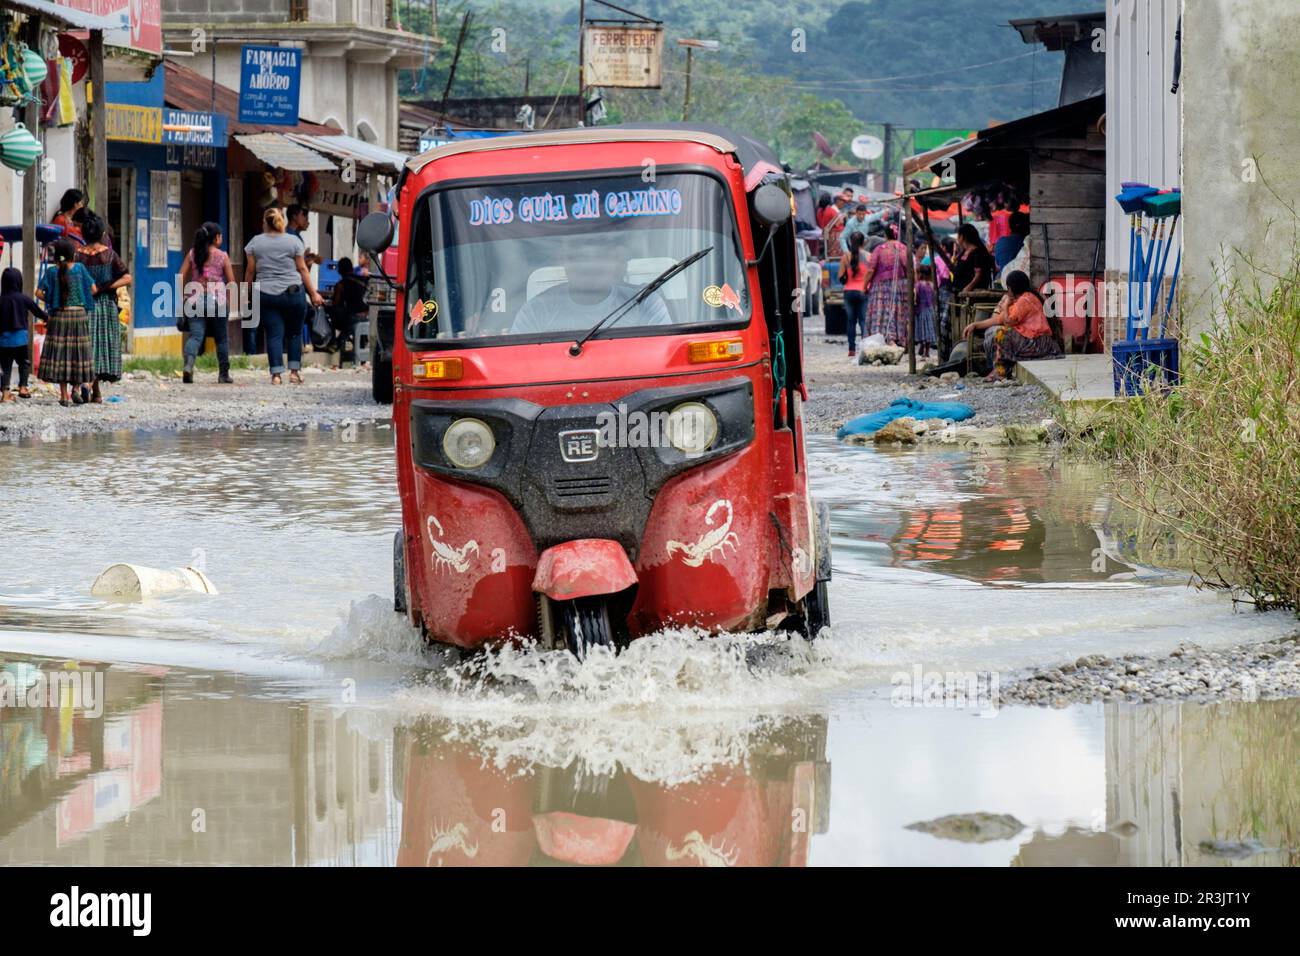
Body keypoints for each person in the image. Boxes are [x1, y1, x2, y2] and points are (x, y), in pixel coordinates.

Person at [512, 235, 671, 334]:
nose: (588, 266)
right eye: (579, 257)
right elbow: (517, 363)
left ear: (615, 261)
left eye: (599, 257)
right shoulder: (536, 311)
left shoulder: (646, 304)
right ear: (564, 262)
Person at [245, 207, 323, 385]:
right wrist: (313, 293)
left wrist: (246, 294)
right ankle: (294, 373)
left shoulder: (255, 243)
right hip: (293, 294)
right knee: (294, 334)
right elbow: (302, 269)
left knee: (274, 334)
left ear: (265, 222)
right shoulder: (293, 241)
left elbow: (250, 271)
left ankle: (276, 375)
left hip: (266, 294)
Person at [74, 213, 129, 402]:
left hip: (83, 304)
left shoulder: (78, 255)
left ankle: (95, 393)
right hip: (105, 306)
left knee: (88, 345)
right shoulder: (110, 255)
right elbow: (127, 277)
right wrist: (106, 286)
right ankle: (88, 385)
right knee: (99, 346)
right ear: (103, 233)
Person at [969, 269, 1061, 379]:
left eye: (1008, 289)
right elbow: (999, 319)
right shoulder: (1019, 300)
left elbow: (1009, 322)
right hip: (1031, 340)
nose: (1007, 292)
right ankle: (996, 368)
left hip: (1040, 343)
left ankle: (1001, 370)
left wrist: (1005, 306)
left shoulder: (1026, 300)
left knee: (1000, 333)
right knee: (990, 331)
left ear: (1011, 289)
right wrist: (975, 325)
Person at [36, 239, 97, 406]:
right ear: (73, 254)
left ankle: (63, 396)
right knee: (78, 353)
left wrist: (53, 297)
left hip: (59, 317)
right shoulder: (80, 269)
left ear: (57, 256)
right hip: (78, 315)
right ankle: (76, 390)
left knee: (61, 355)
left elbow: (39, 293)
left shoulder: (51, 272)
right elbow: (93, 289)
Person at [180, 221, 235, 384]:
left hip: (195, 300)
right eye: (221, 236)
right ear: (216, 238)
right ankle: (223, 374)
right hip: (217, 301)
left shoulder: (192, 254)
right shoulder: (222, 256)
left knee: (196, 336)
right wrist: (229, 302)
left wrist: (184, 296)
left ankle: (188, 366)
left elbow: (181, 275)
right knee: (222, 339)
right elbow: (231, 282)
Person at [0, 266, 46, 401]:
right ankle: (23, 388)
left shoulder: (1, 300)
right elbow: (37, 311)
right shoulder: (23, 298)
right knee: (24, 363)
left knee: (6, 367)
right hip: (21, 339)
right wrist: (49, 318)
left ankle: (5, 394)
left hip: (4, 340)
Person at [862, 224, 912, 346]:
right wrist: (912, 286)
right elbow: (910, 269)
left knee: (882, 312)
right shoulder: (904, 249)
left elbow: (870, 270)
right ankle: (899, 339)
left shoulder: (880, 249)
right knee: (897, 312)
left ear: (885, 235)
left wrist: (864, 286)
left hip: (881, 288)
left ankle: (884, 339)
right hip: (900, 286)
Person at [326, 257, 368, 367]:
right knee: (347, 322)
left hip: (353, 317)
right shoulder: (363, 280)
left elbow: (336, 304)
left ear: (340, 270)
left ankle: (334, 343)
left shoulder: (340, 285)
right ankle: (339, 343)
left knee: (333, 315)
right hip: (367, 316)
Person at [839, 230, 869, 359]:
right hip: (863, 291)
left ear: (850, 242)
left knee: (851, 322)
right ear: (864, 242)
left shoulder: (846, 257)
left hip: (849, 292)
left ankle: (851, 349)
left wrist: (848, 277)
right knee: (863, 321)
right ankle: (864, 347)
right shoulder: (869, 256)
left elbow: (840, 277)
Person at [953, 223, 995, 294]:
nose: (957, 238)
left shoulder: (977, 252)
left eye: (958, 235)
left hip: (971, 294)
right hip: (959, 291)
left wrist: (968, 288)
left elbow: (978, 274)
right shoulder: (964, 252)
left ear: (962, 236)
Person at [914, 263, 938, 359]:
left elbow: (916, 297)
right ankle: (926, 351)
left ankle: (922, 346)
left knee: (922, 329)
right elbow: (934, 298)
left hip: (922, 310)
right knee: (929, 329)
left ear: (920, 274)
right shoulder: (932, 285)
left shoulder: (918, 285)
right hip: (930, 309)